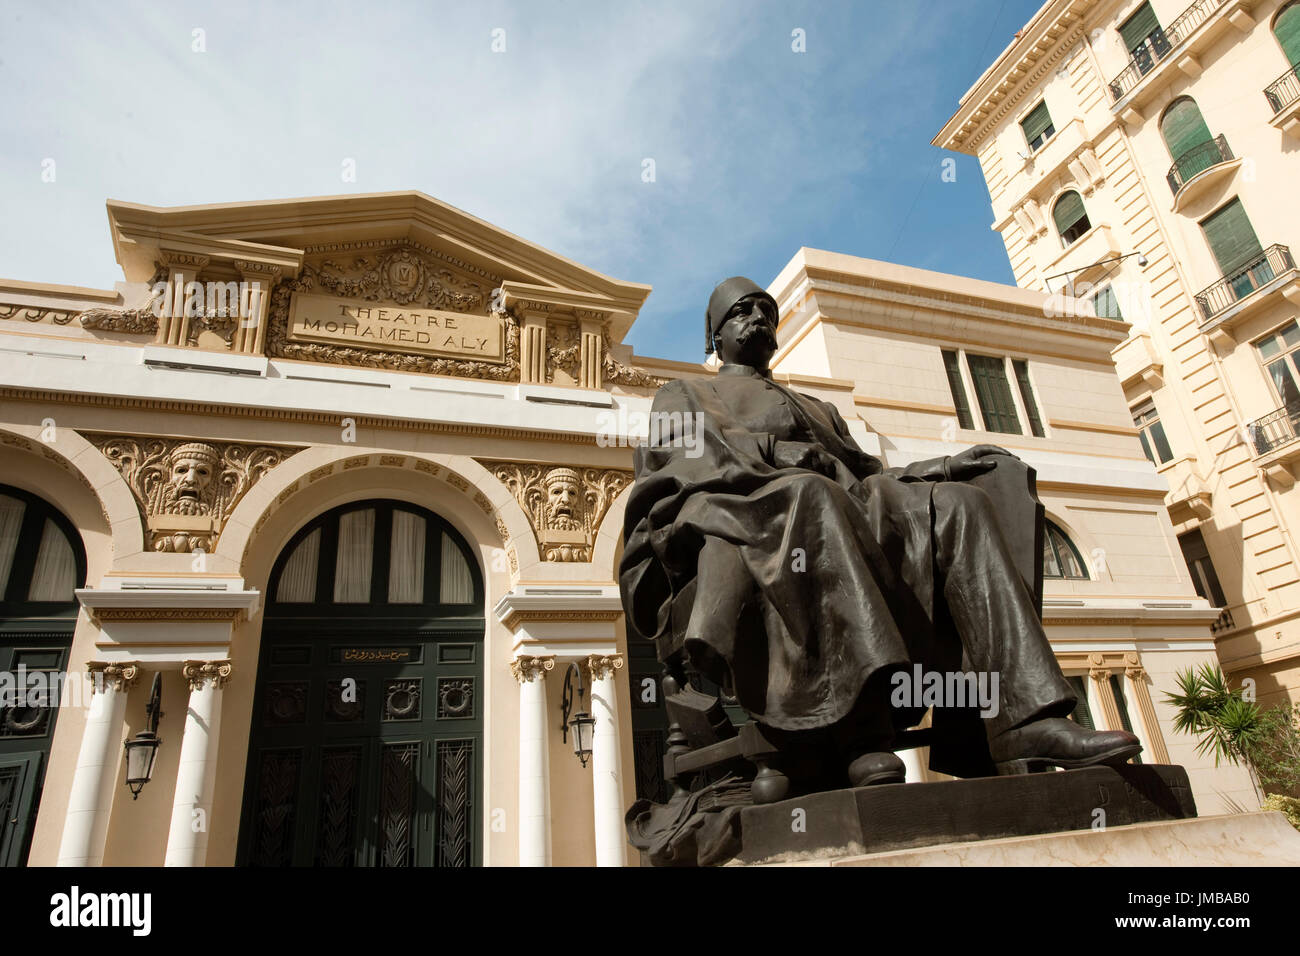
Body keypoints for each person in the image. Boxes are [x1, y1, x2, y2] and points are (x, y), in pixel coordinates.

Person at [619, 276, 1141, 787]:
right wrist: (780, 455)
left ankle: (1023, 719)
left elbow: (871, 473)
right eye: (742, 310)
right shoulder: (685, 393)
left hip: (845, 507)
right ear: (714, 334)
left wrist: (944, 466)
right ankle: (859, 729)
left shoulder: (818, 408)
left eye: (766, 310)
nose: (757, 317)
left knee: (963, 503)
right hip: (752, 516)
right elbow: (684, 461)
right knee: (812, 495)